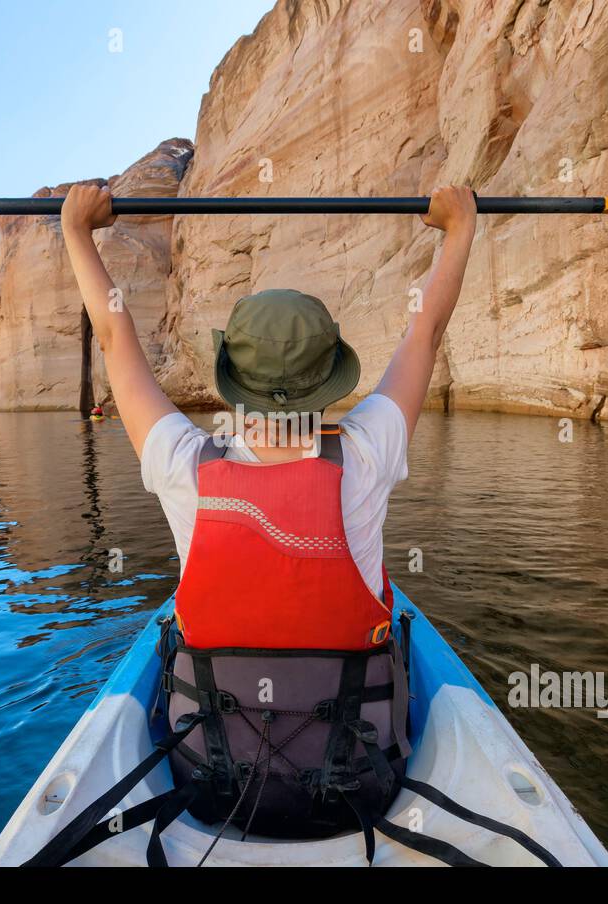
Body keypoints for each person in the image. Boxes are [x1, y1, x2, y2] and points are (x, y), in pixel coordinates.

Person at [56, 182, 478, 859]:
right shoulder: (368, 454)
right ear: (332, 380)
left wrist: (77, 229)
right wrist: (457, 227)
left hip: (209, 788)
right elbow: (424, 331)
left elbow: (113, 335)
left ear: (230, 378)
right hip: (360, 792)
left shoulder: (182, 466)